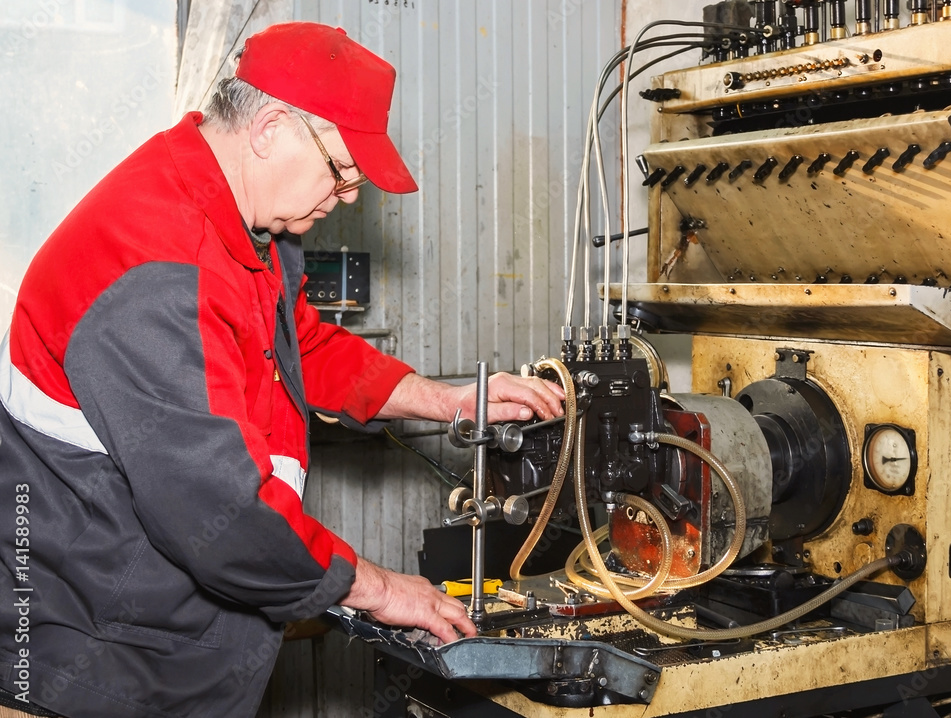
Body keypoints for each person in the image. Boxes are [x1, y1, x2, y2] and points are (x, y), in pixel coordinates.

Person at [0, 22, 564, 718]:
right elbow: (225, 514)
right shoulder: (156, 269)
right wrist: (382, 589)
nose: (349, 195)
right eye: (341, 170)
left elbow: (299, 348)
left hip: (174, 642)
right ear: (270, 129)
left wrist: (449, 401)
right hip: (97, 664)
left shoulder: (246, 225)